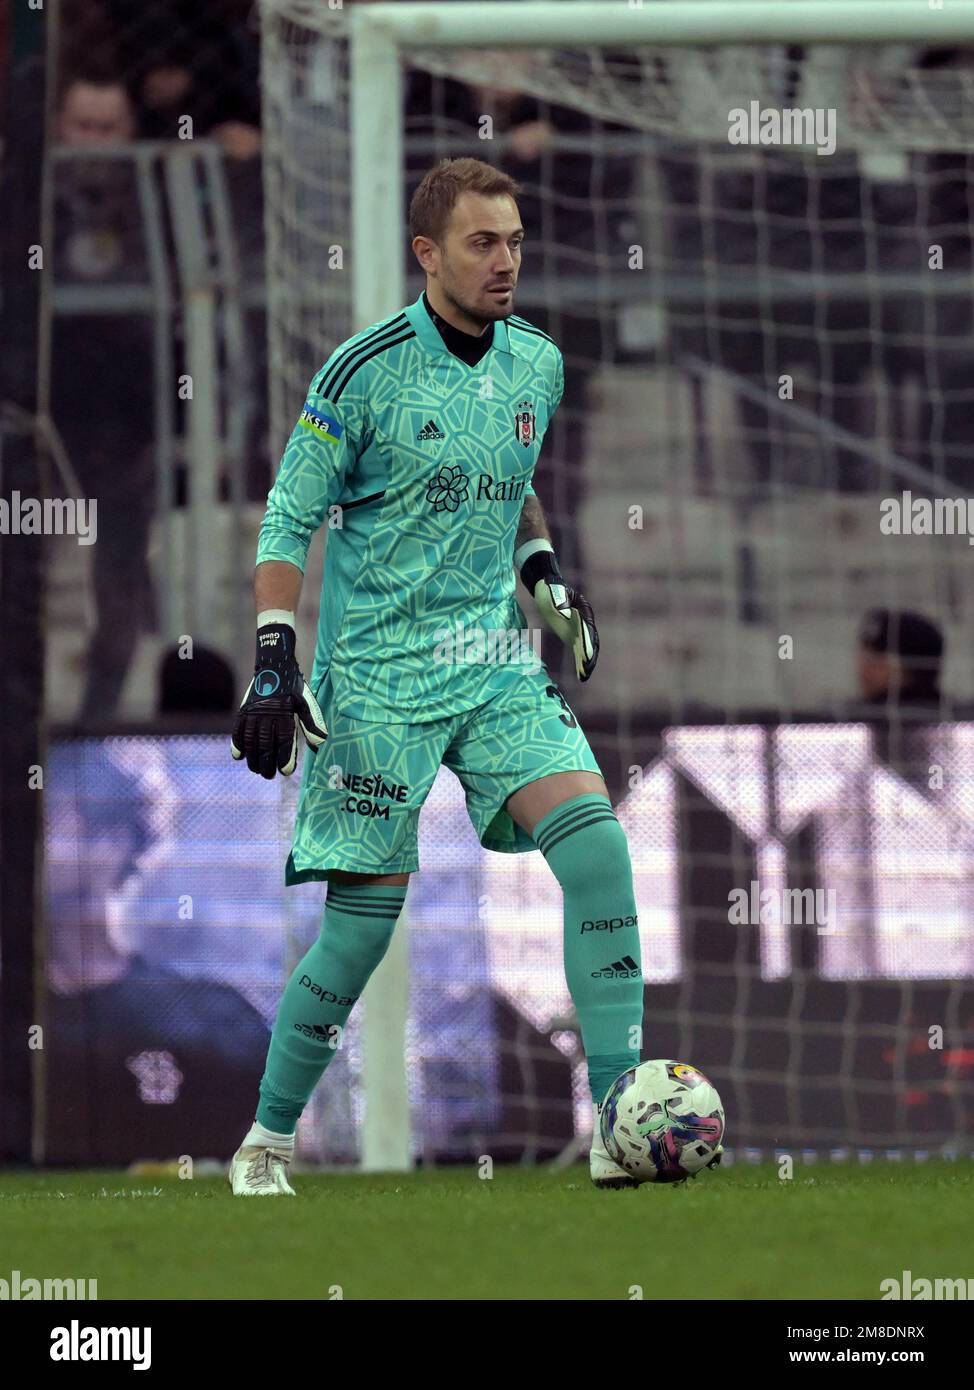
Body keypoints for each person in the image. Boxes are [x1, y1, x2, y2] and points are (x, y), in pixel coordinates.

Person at [228, 156, 668, 1194]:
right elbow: (290, 516)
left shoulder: (538, 364)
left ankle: (615, 1121)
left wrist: (542, 572)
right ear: (426, 253)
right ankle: (265, 1142)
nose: (505, 260)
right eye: (482, 242)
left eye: (514, 239)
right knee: (356, 936)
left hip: (491, 665)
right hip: (378, 677)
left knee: (598, 850)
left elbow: (511, 483)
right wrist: (273, 656)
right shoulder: (359, 372)